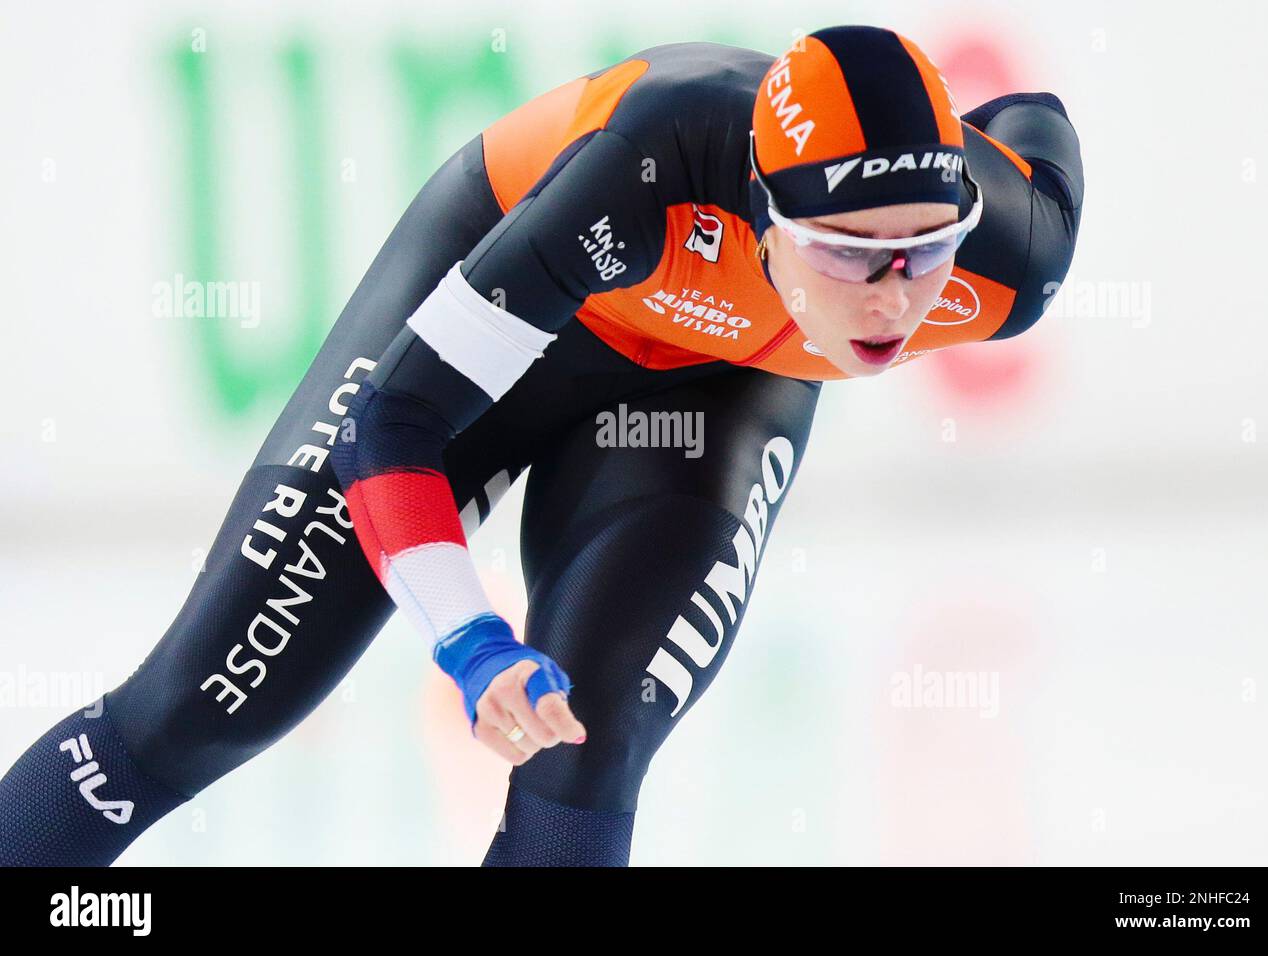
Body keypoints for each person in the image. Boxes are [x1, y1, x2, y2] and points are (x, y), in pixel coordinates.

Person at [0, 24, 1083, 866]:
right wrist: (471, 645)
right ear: (761, 213)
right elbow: (395, 426)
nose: (894, 301)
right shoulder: (643, 170)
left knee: (588, 735)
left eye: (924, 250)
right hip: (524, 314)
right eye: (847, 256)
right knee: (196, 710)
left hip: (720, 387)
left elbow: (1035, 118)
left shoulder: (1010, 260)